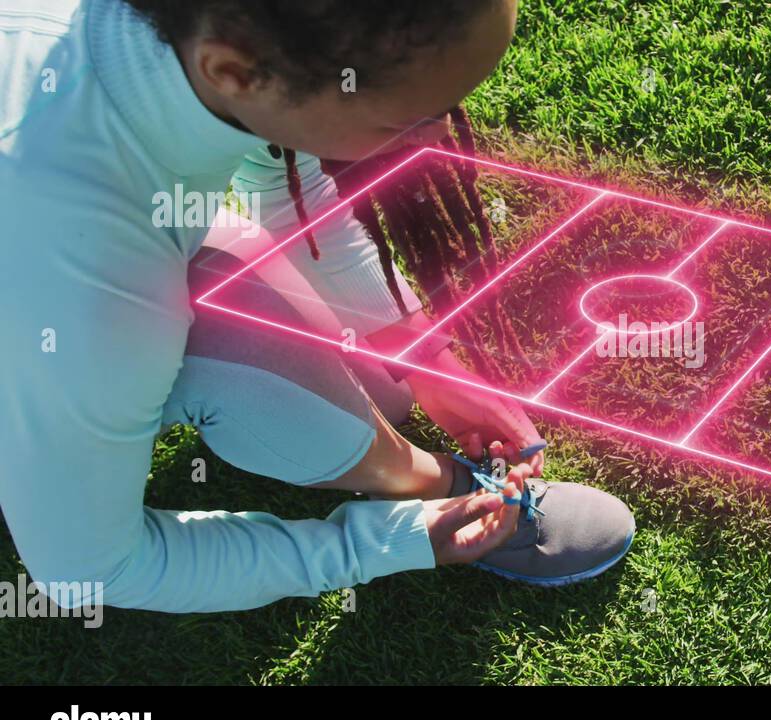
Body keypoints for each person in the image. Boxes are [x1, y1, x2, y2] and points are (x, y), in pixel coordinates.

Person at [0, 0, 635, 613]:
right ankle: (440, 487)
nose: (441, 131)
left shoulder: (219, 45)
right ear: (235, 70)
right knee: (235, 337)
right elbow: (89, 570)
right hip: (55, 309)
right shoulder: (87, 281)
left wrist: (425, 357)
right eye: (403, 119)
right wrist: (385, 545)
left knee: (378, 393)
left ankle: (380, 446)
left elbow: (280, 186)